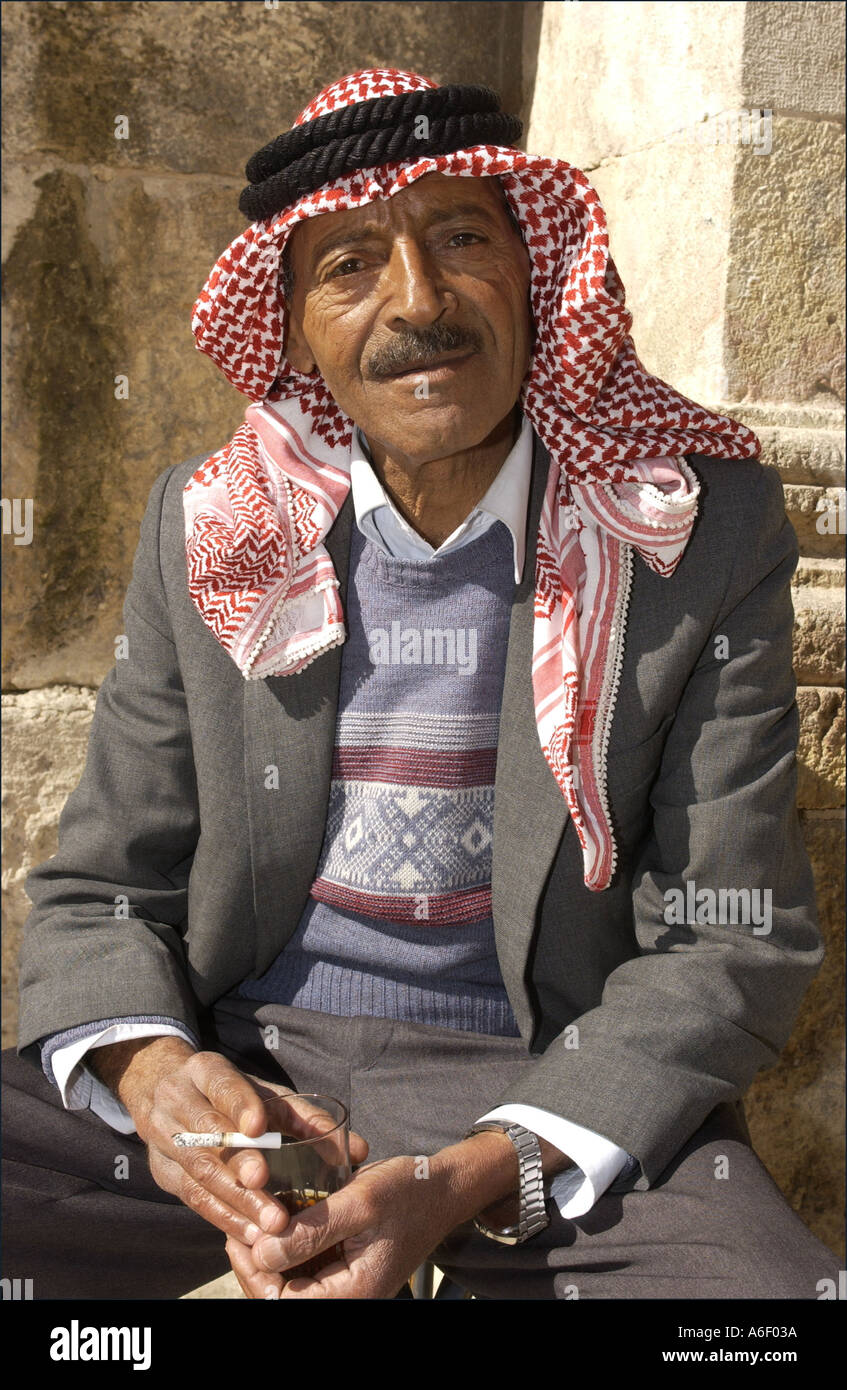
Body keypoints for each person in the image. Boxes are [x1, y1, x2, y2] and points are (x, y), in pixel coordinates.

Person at [2, 68, 839, 1301]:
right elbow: (102, 887)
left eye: (460, 240)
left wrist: (465, 1177)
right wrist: (152, 1072)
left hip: (531, 1095)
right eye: (348, 267)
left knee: (763, 1319)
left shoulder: (688, 536)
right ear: (290, 326)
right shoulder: (216, 528)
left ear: (535, 273)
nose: (418, 302)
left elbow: (728, 937)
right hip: (255, 1077)